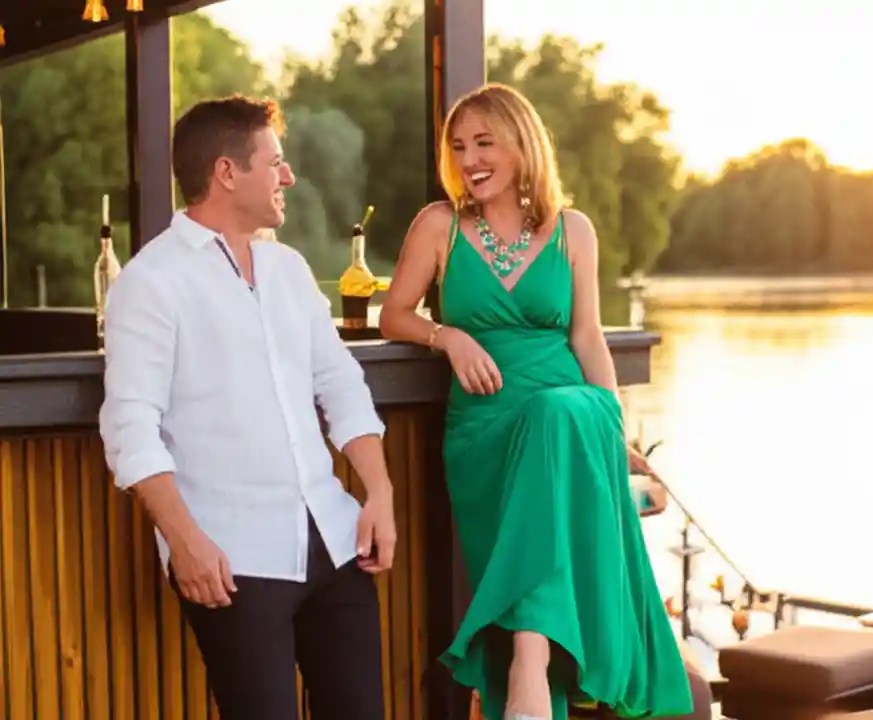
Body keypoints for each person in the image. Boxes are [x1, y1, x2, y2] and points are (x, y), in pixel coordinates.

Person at [380, 82, 694, 720]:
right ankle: (532, 669)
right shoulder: (440, 225)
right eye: (460, 147)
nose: (470, 159)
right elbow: (392, 315)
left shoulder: (572, 230)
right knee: (551, 427)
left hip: (568, 415)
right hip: (488, 432)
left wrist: (617, 433)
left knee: (560, 412)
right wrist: (449, 336)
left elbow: (587, 337)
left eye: (485, 143)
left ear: (522, 145)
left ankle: (530, 662)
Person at [98, 95, 396, 720]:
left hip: (336, 545)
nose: (288, 177)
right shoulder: (150, 283)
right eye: (276, 163)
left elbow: (340, 383)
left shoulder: (290, 270)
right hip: (232, 560)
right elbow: (131, 428)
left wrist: (380, 493)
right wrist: (182, 540)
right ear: (227, 173)